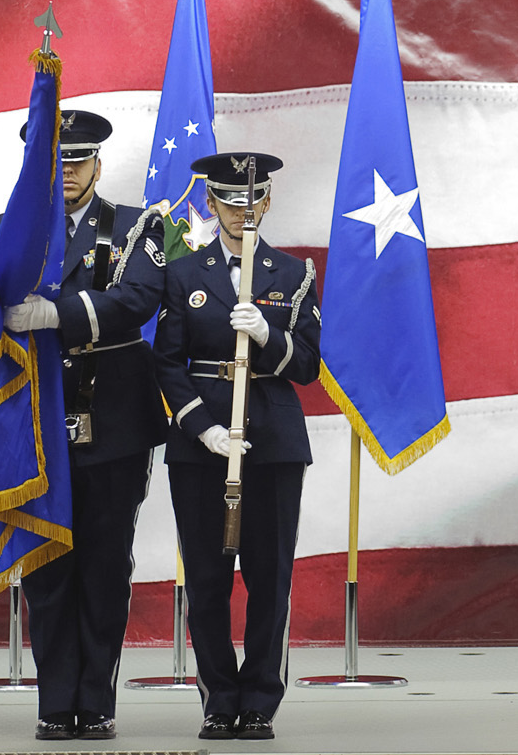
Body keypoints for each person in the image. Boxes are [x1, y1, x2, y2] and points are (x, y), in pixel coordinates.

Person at [0, 110, 168, 741]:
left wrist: (54, 315)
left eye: (79, 160)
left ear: (98, 164)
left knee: (106, 567)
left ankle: (97, 700)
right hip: (34, 422)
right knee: (47, 566)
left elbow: (138, 300)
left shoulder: (138, 226)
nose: (69, 171)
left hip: (113, 418)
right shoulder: (8, 230)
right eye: (57, 161)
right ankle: (56, 703)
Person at [153, 152, 322, 742]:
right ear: (211, 204)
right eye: (228, 199)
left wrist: (268, 334)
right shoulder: (183, 274)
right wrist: (203, 427)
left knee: (269, 578)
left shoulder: (293, 273)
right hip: (202, 446)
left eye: (251, 199)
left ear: (267, 202)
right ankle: (218, 699)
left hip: (272, 443)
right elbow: (167, 364)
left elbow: (306, 365)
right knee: (206, 579)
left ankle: (258, 703)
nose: (240, 209)